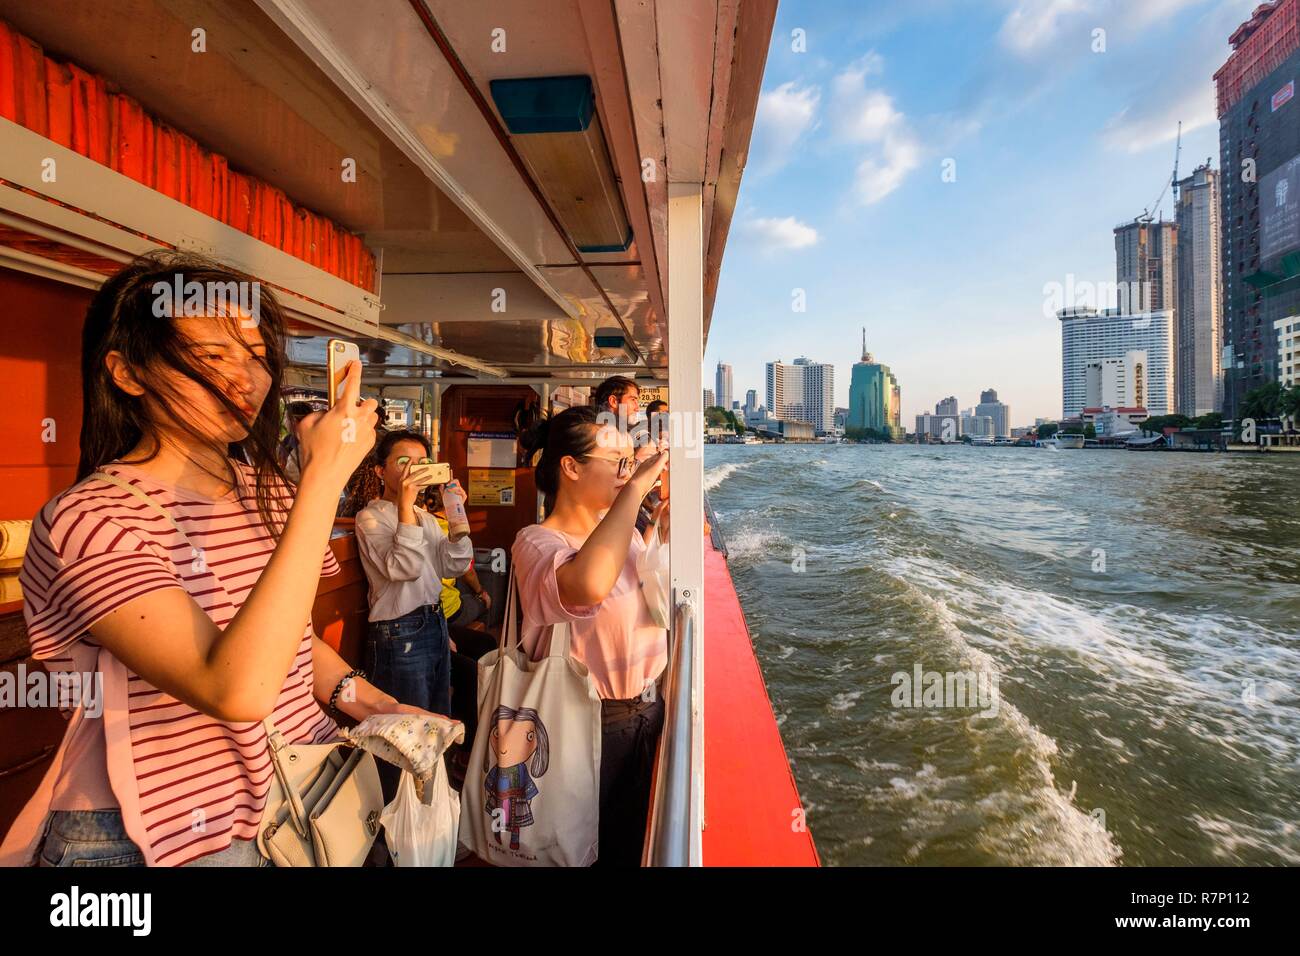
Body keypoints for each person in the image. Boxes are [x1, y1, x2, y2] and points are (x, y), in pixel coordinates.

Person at [0, 251, 429, 868]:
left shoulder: (267, 489)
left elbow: (288, 642)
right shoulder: (89, 519)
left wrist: (373, 703)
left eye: (255, 355)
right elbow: (235, 688)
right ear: (127, 373)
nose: (246, 379)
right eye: (213, 356)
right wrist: (321, 481)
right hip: (158, 834)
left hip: (296, 798)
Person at [511, 405, 670, 866]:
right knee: (583, 851)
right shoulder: (538, 543)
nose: (628, 471)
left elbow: (654, 606)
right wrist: (637, 487)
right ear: (571, 467)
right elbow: (588, 586)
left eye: (630, 462)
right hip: (585, 724)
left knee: (632, 846)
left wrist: (663, 521)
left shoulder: (627, 535)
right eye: (619, 462)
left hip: (645, 709)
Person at [353, 431, 473, 796]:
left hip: (431, 623)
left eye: (421, 463)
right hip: (399, 633)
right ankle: (393, 831)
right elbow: (402, 568)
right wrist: (406, 506)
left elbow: (452, 565)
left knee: (433, 725)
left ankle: (429, 811)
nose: (413, 471)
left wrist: (456, 514)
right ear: (380, 470)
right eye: (403, 462)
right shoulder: (370, 517)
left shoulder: (422, 516)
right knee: (405, 738)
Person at [276, 400, 315, 483]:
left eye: (285, 418)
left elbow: (292, 477)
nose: (284, 422)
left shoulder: (307, 447)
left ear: (293, 420)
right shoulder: (288, 439)